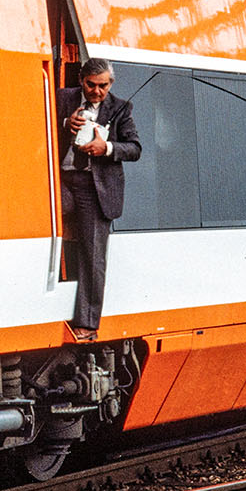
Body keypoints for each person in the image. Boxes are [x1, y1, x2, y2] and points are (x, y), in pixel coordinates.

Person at [57, 58, 142, 341]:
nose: (97, 91)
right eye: (91, 85)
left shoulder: (120, 108)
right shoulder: (62, 98)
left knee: (93, 255)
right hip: (61, 180)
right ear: (81, 80)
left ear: (111, 84)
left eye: (103, 86)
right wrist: (65, 124)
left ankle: (87, 324)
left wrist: (106, 148)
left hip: (95, 188)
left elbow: (134, 148)